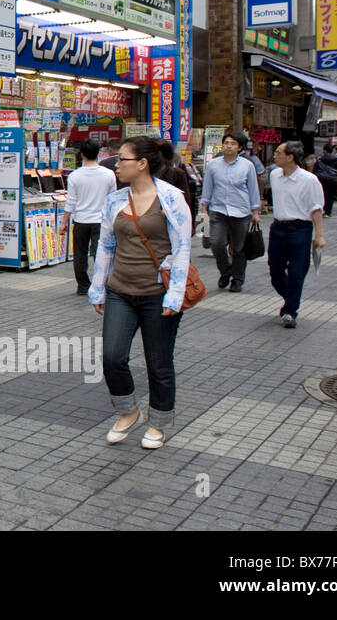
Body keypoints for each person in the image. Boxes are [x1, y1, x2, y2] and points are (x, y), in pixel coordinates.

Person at [88, 136, 193, 451]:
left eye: (123, 159)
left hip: (157, 294)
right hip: (121, 290)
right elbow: (106, 246)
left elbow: (183, 249)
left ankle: (158, 423)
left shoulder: (172, 198)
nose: (116, 165)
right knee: (112, 357)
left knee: (158, 363)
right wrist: (98, 289)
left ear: (143, 164)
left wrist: (174, 295)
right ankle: (128, 411)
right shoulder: (114, 200)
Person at [267, 141, 326, 328]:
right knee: (275, 272)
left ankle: (290, 311)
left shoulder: (309, 180)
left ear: (290, 157)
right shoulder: (274, 175)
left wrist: (319, 236)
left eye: (278, 152)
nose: (274, 155)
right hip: (277, 228)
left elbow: (316, 209)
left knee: (296, 273)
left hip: (300, 229)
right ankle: (291, 297)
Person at [200, 130, 261, 292]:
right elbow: (208, 187)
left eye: (233, 143)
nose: (228, 146)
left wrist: (255, 211)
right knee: (217, 244)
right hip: (218, 210)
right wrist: (204, 207)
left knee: (239, 248)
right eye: (226, 143)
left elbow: (253, 189)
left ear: (239, 148)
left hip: (241, 212)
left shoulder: (247, 166)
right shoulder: (213, 164)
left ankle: (237, 279)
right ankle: (225, 271)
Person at [61, 139, 116, 295]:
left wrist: (64, 222)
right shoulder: (109, 174)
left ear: (82, 154)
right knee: (101, 253)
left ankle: (83, 285)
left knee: (80, 254)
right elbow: (112, 199)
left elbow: (70, 201)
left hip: (81, 220)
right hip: (101, 221)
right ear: (99, 153)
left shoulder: (74, 176)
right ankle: (102, 284)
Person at [313, 144, 337, 216]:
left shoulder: (320, 159)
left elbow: (316, 169)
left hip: (322, 179)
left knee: (322, 194)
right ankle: (328, 211)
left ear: (324, 150)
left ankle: (322, 209)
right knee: (331, 195)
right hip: (333, 180)